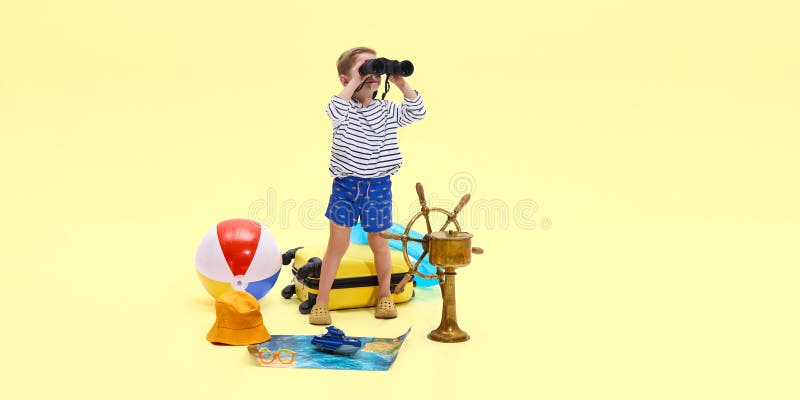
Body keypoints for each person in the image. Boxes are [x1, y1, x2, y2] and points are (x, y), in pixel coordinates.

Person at [310, 46, 427, 325]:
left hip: (378, 187)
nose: (374, 74)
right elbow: (332, 111)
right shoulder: (343, 109)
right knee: (337, 245)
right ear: (344, 79)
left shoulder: (387, 110)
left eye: (377, 68)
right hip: (346, 187)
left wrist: (400, 82)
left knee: (380, 244)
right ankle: (321, 301)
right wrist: (354, 81)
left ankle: (384, 294)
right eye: (366, 68)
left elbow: (418, 111)